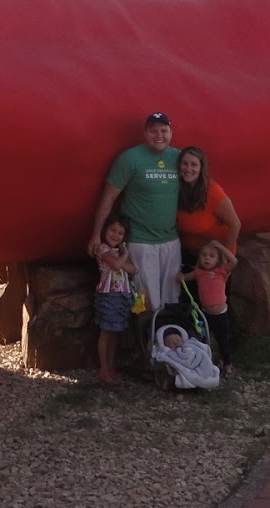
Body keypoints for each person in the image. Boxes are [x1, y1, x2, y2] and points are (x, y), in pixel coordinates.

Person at [88, 112, 181, 311]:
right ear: (146, 134)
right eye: (153, 131)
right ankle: (148, 342)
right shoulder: (130, 158)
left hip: (171, 240)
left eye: (164, 130)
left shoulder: (179, 158)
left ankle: (171, 341)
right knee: (146, 301)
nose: (159, 135)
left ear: (171, 133)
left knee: (172, 298)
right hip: (141, 241)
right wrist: (96, 235)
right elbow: (108, 197)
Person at [175, 145, 241, 266]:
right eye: (185, 163)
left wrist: (224, 256)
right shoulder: (178, 189)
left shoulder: (212, 191)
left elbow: (235, 224)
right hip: (191, 255)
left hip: (213, 259)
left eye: (194, 165)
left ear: (201, 167)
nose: (188, 168)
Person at [180, 239, 238, 371]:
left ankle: (228, 364)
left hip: (221, 314)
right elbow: (185, 277)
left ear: (218, 259)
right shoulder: (198, 273)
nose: (207, 258)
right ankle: (205, 362)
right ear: (199, 257)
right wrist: (180, 276)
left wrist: (221, 247)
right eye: (204, 255)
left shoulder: (221, 271)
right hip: (205, 314)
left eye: (211, 256)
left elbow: (234, 261)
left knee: (222, 341)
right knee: (204, 340)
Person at [93, 214, 136, 384]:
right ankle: (104, 367)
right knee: (106, 332)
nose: (115, 235)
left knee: (115, 332)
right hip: (108, 294)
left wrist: (121, 258)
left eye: (120, 233)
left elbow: (133, 269)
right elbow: (117, 265)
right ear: (105, 230)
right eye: (113, 230)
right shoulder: (102, 248)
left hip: (122, 294)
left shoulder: (117, 252)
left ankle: (111, 365)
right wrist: (124, 254)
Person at [151, 324, 220, 390]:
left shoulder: (190, 346)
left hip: (194, 362)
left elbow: (201, 352)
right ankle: (191, 378)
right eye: (170, 343)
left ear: (183, 339)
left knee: (203, 363)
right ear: (164, 344)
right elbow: (162, 357)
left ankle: (203, 374)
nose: (175, 343)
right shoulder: (167, 353)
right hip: (181, 369)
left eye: (177, 340)